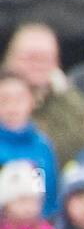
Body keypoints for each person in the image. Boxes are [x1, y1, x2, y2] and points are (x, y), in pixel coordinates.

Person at [3, 23, 84, 168]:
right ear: (10, 58)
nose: (37, 65)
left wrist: (65, 95)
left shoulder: (70, 102)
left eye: (45, 59)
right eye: (30, 58)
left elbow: (81, 144)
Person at [0, 71, 58, 217]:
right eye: (4, 100)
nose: (12, 107)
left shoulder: (43, 146)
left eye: (19, 99)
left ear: (32, 101)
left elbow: (50, 193)